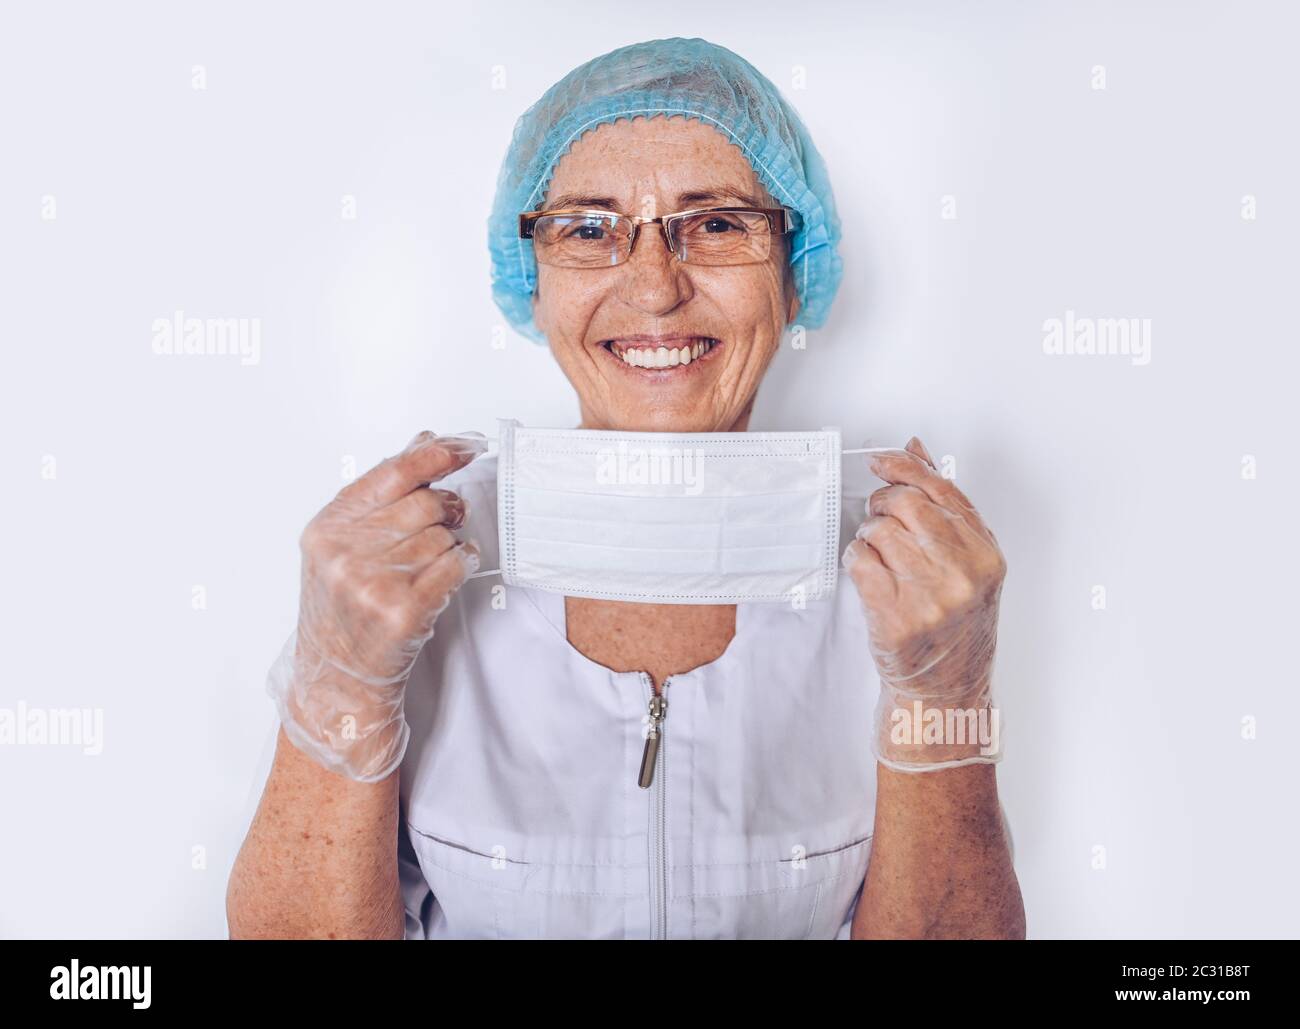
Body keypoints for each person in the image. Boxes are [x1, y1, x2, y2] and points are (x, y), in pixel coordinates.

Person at [226, 36, 1024, 939]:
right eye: (589, 229)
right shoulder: (398, 578)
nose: (653, 288)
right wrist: (342, 683)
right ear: (533, 277)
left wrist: (947, 702)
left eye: (718, 222)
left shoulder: (908, 594)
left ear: (794, 267)